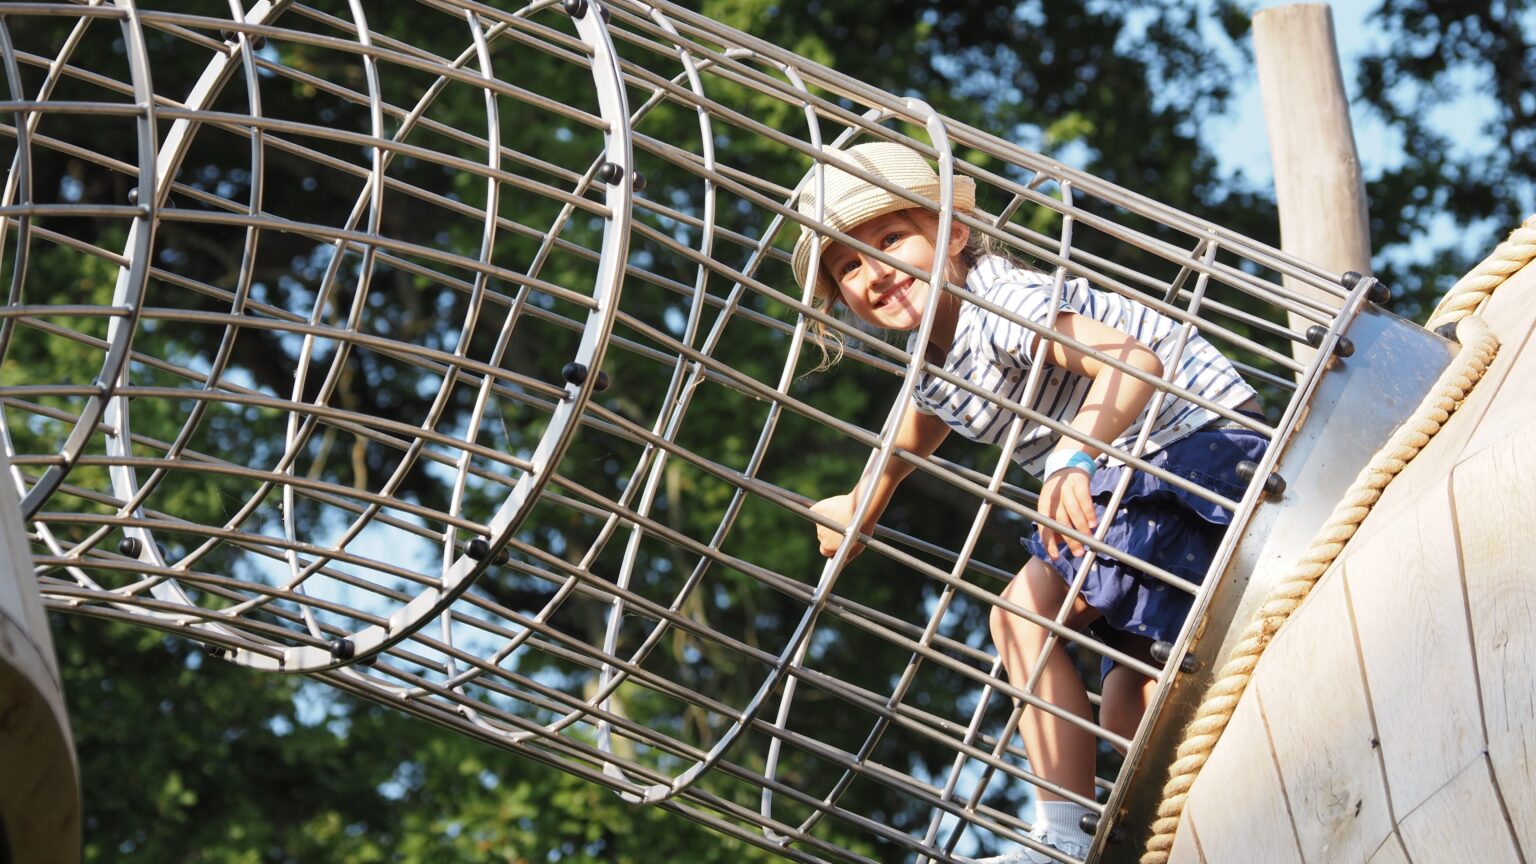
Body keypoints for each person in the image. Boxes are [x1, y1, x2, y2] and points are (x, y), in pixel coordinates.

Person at [795, 142, 1266, 863]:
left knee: (1020, 614)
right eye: (848, 267)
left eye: (890, 239)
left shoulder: (999, 301)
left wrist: (1075, 456)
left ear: (953, 231)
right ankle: (1163, 827)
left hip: (1188, 446)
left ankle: (1060, 839)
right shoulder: (937, 351)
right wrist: (867, 496)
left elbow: (1132, 359)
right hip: (1128, 474)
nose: (873, 273)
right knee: (1130, 701)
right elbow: (919, 421)